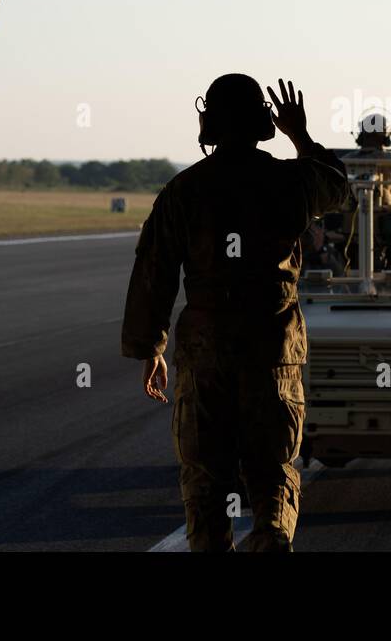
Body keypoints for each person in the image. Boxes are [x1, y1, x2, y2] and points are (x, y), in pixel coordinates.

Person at [122, 75, 348, 551]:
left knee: (205, 481)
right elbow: (338, 188)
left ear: (209, 124)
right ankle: (271, 537)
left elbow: (154, 273)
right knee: (273, 473)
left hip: (207, 355)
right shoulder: (292, 181)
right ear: (264, 123)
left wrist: (150, 347)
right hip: (273, 348)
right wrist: (300, 135)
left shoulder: (184, 190)